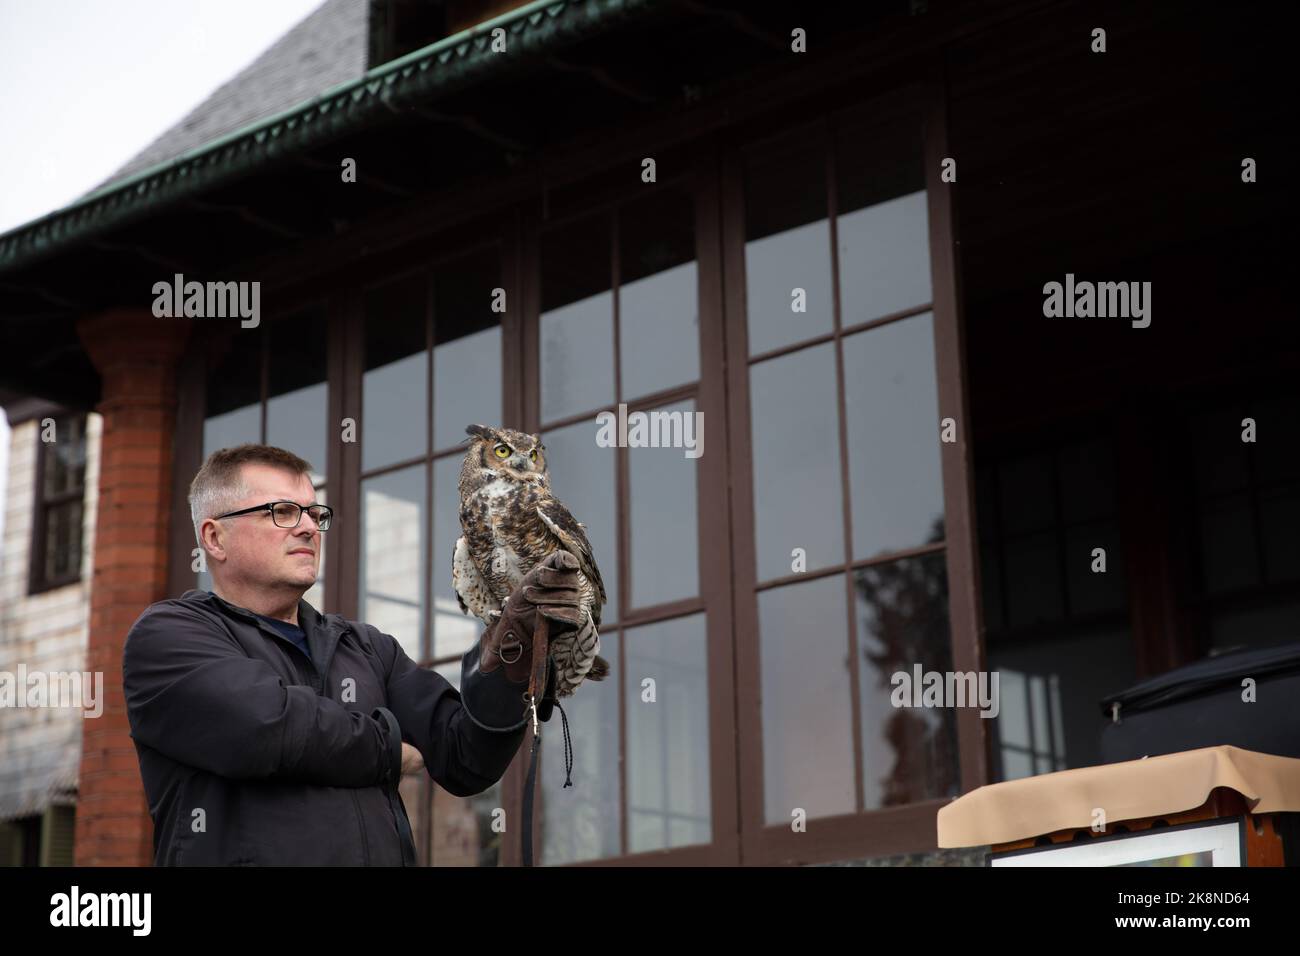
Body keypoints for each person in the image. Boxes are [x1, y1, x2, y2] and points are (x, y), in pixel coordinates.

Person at [122, 444, 582, 865]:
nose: (307, 527)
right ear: (214, 538)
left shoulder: (366, 648)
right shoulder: (169, 636)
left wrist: (511, 651)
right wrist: (390, 748)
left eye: (313, 513)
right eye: (281, 512)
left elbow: (464, 757)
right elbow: (267, 727)